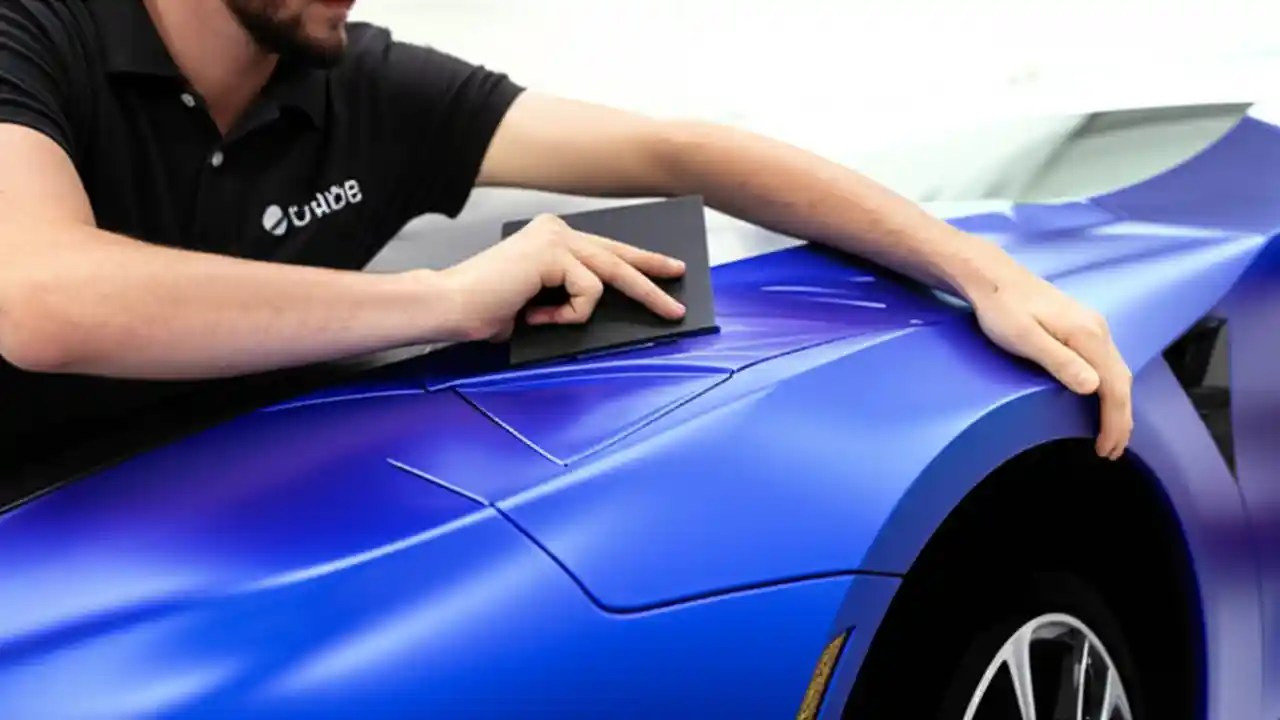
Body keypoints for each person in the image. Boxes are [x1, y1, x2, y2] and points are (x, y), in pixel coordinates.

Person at [0, 0, 1132, 475]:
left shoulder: (362, 82)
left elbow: (684, 154)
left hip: (211, 529)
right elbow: (42, 300)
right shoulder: (31, 37)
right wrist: (451, 299)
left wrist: (979, 272)